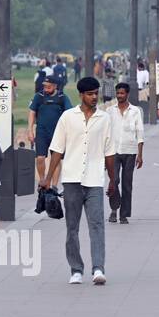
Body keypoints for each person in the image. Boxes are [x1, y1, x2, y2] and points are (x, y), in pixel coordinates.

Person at [43, 77, 116, 285]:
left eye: (96, 93)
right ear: (81, 95)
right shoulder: (68, 117)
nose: (94, 97)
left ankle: (98, 268)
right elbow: (57, 150)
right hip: (71, 179)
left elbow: (109, 152)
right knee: (72, 227)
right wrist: (48, 178)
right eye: (90, 94)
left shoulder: (104, 119)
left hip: (94, 180)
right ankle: (76, 269)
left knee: (97, 225)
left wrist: (113, 180)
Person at [105, 82, 144, 225]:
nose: (120, 96)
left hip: (130, 151)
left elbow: (140, 132)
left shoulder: (135, 111)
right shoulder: (109, 111)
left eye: (122, 93)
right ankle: (114, 209)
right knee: (114, 180)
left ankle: (124, 214)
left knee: (127, 184)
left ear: (127, 94)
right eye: (118, 93)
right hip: (113, 151)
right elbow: (105, 132)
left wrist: (140, 154)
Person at [28, 76, 72, 184]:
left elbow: (69, 114)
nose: (46, 89)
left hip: (57, 133)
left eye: (48, 87)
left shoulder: (62, 98)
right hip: (41, 132)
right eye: (45, 86)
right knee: (40, 158)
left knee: (56, 160)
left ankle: (54, 185)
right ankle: (42, 180)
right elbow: (32, 112)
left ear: (55, 86)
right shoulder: (39, 96)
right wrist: (30, 130)